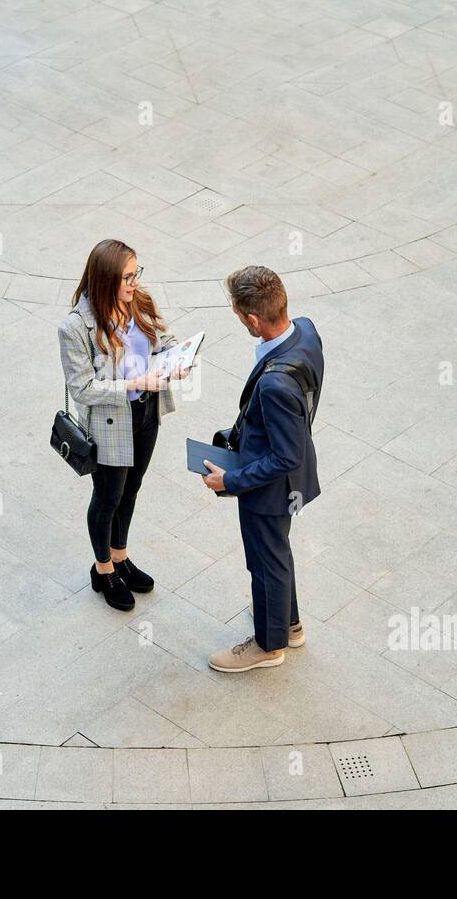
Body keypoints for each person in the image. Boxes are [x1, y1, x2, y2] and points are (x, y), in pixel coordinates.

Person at [200, 266, 324, 671]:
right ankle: (288, 624)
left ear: (253, 320)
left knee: (263, 562)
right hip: (289, 484)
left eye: (238, 313)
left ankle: (268, 647)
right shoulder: (305, 330)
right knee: (277, 554)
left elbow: (287, 456)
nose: (238, 318)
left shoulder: (274, 385)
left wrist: (230, 480)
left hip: (270, 490)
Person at [58, 239, 191, 611]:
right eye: (128, 277)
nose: (135, 283)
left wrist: (176, 357)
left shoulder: (137, 301)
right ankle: (102, 570)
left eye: (137, 274)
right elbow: (82, 388)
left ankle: (120, 556)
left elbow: (161, 338)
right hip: (111, 421)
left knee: (131, 489)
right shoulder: (75, 327)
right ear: (105, 280)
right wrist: (133, 383)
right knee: (107, 497)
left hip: (146, 412)